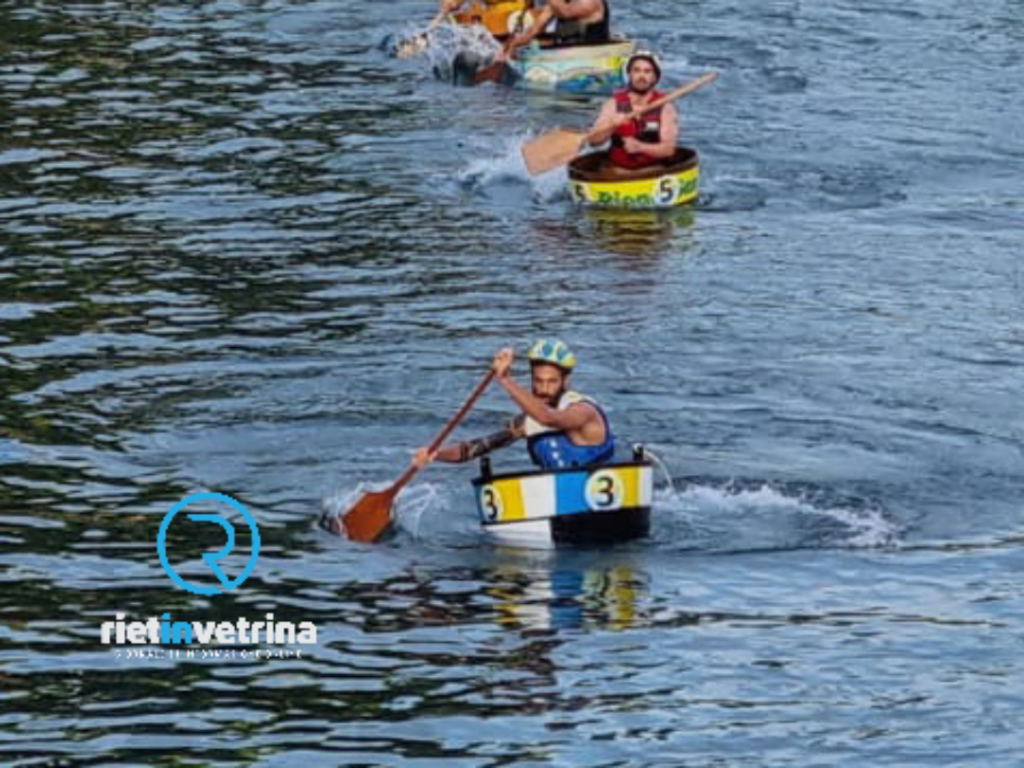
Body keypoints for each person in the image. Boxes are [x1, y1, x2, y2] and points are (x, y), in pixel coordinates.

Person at [414, 340, 615, 471]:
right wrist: (435, 454)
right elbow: (474, 449)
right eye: (538, 381)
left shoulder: (583, 412)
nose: (544, 389)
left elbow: (549, 418)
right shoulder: (527, 423)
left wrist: (505, 379)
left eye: (552, 382)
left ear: (566, 382)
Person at [587, 50, 677, 170]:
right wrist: (612, 125)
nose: (641, 76)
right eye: (636, 70)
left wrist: (640, 147)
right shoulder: (612, 105)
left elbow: (668, 149)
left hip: (652, 171)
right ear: (629, 74)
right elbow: (593, 141)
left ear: (655, 77)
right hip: (618, 170)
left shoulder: (665, 108)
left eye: (647, 71)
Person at [495, 0, 610, 62]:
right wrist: (511, 46)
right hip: (564, 57)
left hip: (592, 58)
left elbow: (566, 12)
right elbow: (533, 31)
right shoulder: (555, 6)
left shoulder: (591, 2)